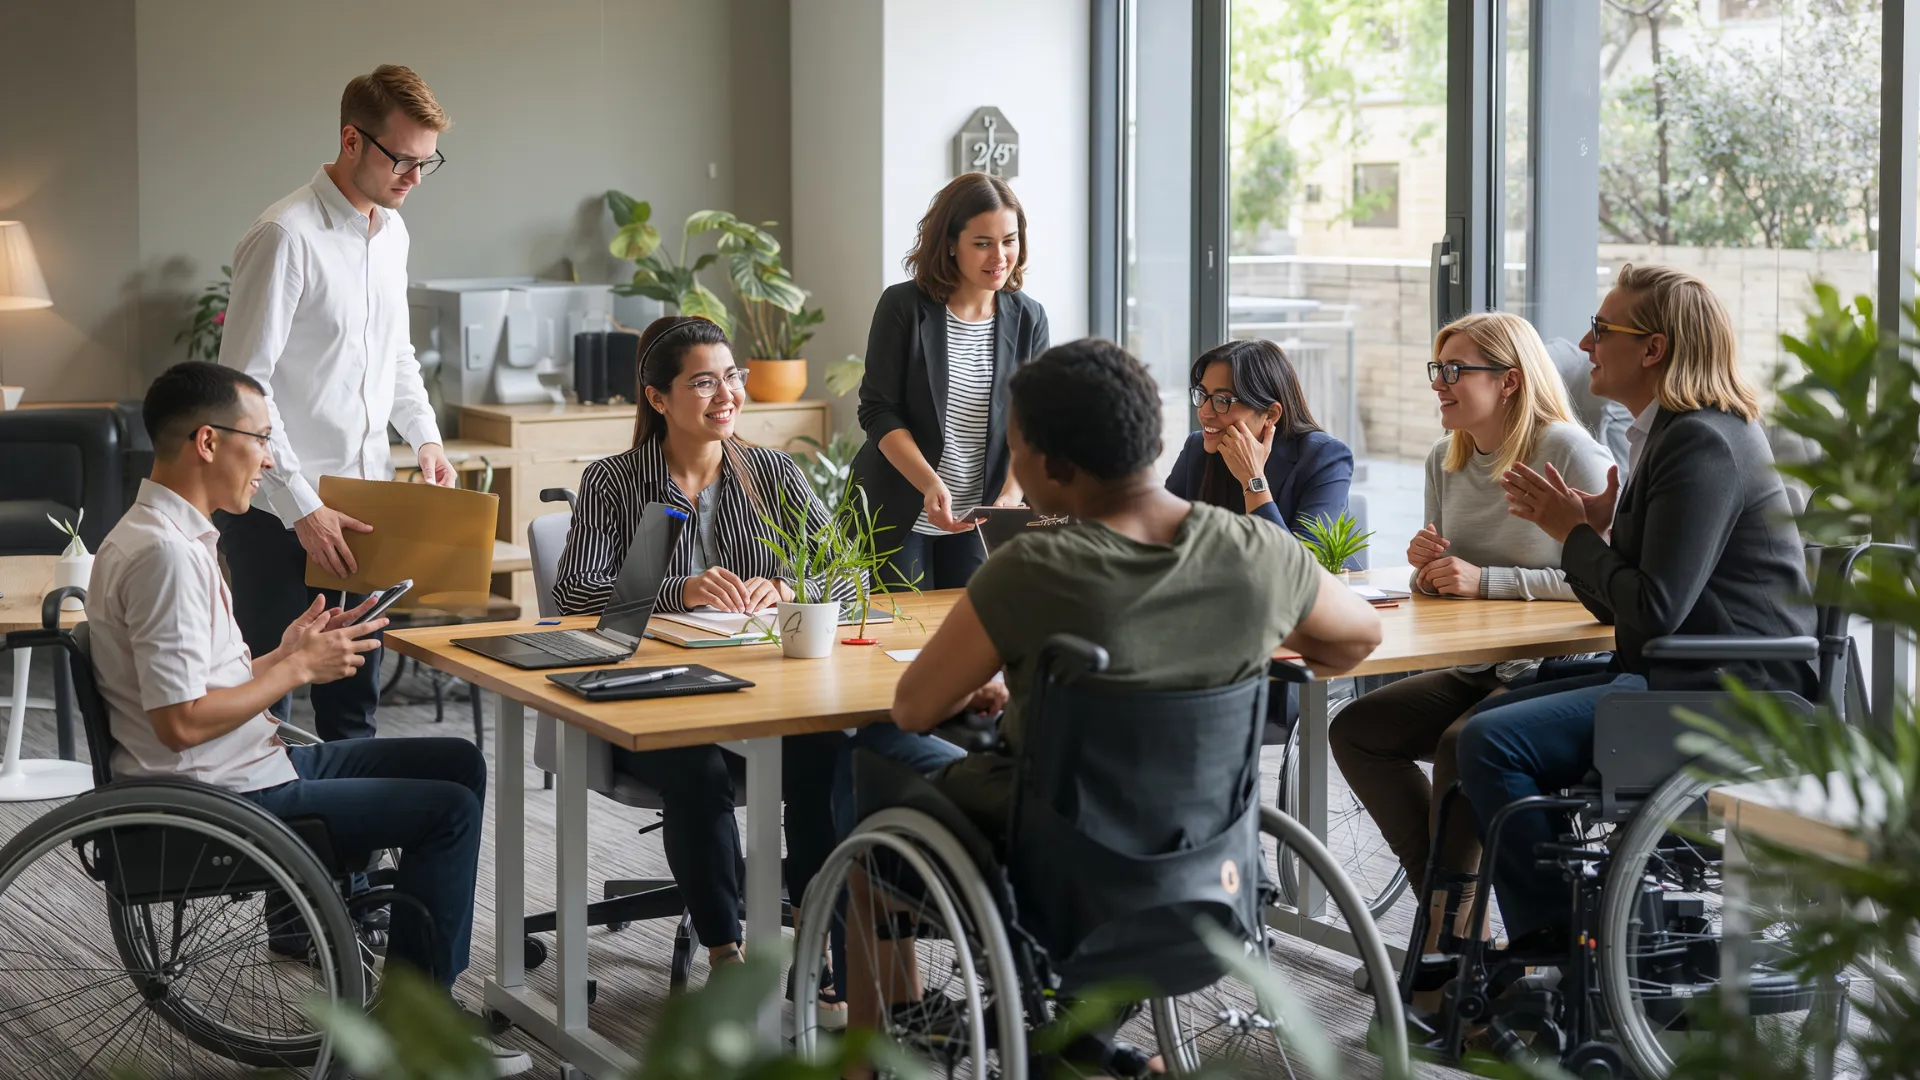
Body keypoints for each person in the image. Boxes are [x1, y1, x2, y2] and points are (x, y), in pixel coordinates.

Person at [844, 339, 1384, 1039]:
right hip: (1205, 845)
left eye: (1015, 450)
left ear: (1049, 463)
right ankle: (1083, 1035)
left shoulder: (1033, 565)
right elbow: (1357, 638)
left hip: (1058, 851)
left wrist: (1009, 685)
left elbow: (915, 706)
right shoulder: (1258, 553)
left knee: (873, 822)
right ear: (1153, 438)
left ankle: (884, 1038)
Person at [88, 362, 528, 1074]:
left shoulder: (165, 536)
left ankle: (414, 995)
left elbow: (193, 693)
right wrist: (295, 671)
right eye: (260, 439)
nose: (268, 458)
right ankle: (419, 1034)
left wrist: (284, 653)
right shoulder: (166, 556)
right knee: (445, 810)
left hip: (243, 763)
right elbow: (178, 723)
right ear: (207, 441)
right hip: (222, 795)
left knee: (458, 761)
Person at [551, 316, 953, 1019]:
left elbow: (851, 580)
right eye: (702, 381)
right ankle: (728, 956)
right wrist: (681, 588)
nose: (725, 393)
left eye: (730, 376)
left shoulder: (770, 472)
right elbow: (576, 592)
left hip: (766, 690)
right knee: (696, 769)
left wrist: (793, 588)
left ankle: (825, 947)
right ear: (658, 398)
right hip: (651, 701)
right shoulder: (614, 481)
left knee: (826, 755)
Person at [1462, 264, 1815, 951]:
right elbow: (1621, 608)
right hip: (1679, 674)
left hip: (1732, 695)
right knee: (1482, 719)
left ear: (1652, 349)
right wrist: (1597, 532)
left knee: (1490, 740)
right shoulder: (1673, 435)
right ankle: (1581, 928)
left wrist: (1577, 534)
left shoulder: (1704, 442)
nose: (1587, 346)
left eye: (1602, 330)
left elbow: (1652, 614)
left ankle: (1561, 950)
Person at [1326, 312, 1613, 941]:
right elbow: (1454, 576)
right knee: (1357, 729)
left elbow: (1607, 584)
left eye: (1455, 370)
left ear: (1509, 381)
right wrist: (1429, 572)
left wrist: (1486, 581)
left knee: (1462, 743)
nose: (1439, 383)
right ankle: (1456, 919)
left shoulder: (1567, 452)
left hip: (1557, 672)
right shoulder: (1444, 458)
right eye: (1437, 369)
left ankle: (1443, 938)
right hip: (1481, 666)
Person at [216, 64, 458, 742]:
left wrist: (427, 438)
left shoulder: (393, 234)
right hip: (276, 513)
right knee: (271, 709)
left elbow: (396, 357)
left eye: (426, 162)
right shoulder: (285, 236)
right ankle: (266, 847)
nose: (414, 177)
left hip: (361, 504)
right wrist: (304, 507)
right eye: (402, 160)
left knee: (355, 707)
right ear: (352, 140)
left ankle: (351, 849)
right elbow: (245, 392)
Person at [851, 172, 1051, 593]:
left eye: (1009, 240)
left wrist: (1012, 495)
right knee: (897, 639)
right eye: (982, 243)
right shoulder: (902, 306)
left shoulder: (1030, 318)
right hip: (900, 506)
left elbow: (1033, 423)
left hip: (984, 513)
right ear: (949, 244)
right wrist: (930, 483)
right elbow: (877, 410)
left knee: (973, 636)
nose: (1000, 256)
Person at [1164, 337, 1355, 542]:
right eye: (1202, 395)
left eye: (1222, 400)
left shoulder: (1325, 458)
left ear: (1271, 414)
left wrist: (1252, 479)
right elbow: (1155, 531)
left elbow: (1302, 567)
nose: (1204, 411)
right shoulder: (1196, 448)